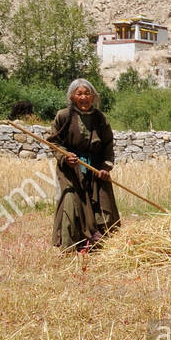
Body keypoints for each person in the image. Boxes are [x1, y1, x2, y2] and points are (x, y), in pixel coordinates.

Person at [49, 79, 120, 252]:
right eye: (79, 94)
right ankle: (70, 245)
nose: (83, 97)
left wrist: (105, 167)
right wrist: (65, 157)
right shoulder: (63, 116)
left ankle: (103, 244)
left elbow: (108, 145)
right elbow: (54, 143)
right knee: (71, 201)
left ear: (93, 96)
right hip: (71, 169)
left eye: (87, 93)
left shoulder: (100, 118)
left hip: (96, 168)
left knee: (103, 204)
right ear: (72, 97)